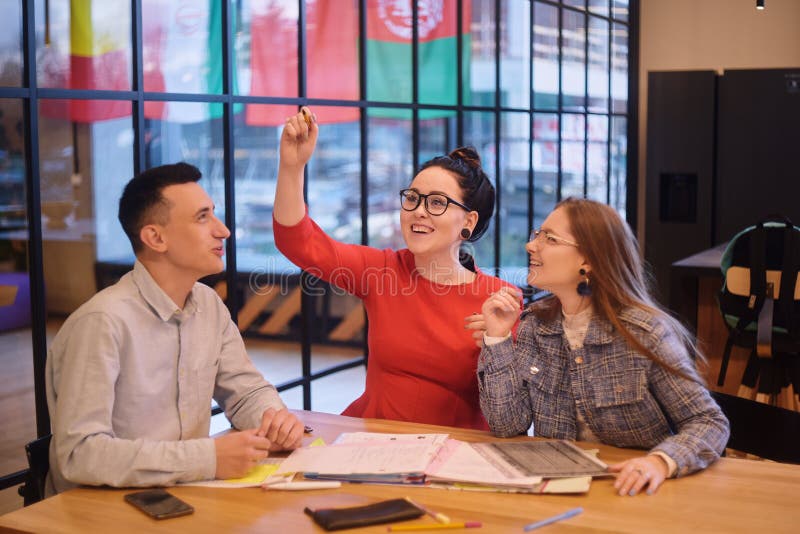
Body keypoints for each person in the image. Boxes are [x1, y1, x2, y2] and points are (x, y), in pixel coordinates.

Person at [46, 162, 305, 495]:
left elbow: (246, 393)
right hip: (102, 505)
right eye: (202, 218)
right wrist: (208, 458)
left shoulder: (208, 304)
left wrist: (274, 419)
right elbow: (79, 454)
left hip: (180, 493)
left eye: (214, 214)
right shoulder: (102, 323)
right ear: (155, 237)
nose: (223, 231)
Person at [273, 107, 518, 430]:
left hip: (456, 450)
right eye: (413, 198)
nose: (419, 211)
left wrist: (498, 342)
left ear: (468, 221)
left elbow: (511, 414)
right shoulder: (383, 271)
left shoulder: (500, 300)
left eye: (437, 203)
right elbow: (298, 242)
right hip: (373, 442)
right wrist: (292, 166)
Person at [478, 198, 729, 496]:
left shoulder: (643, 332)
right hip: (561, 487)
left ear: (588, 261)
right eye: (537, 235)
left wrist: (660, 462)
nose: (531, 245)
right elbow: (507, 425)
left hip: (637, 491)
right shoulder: (535, 325)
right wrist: (497, 338)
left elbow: (707, 421)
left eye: (550, 239)